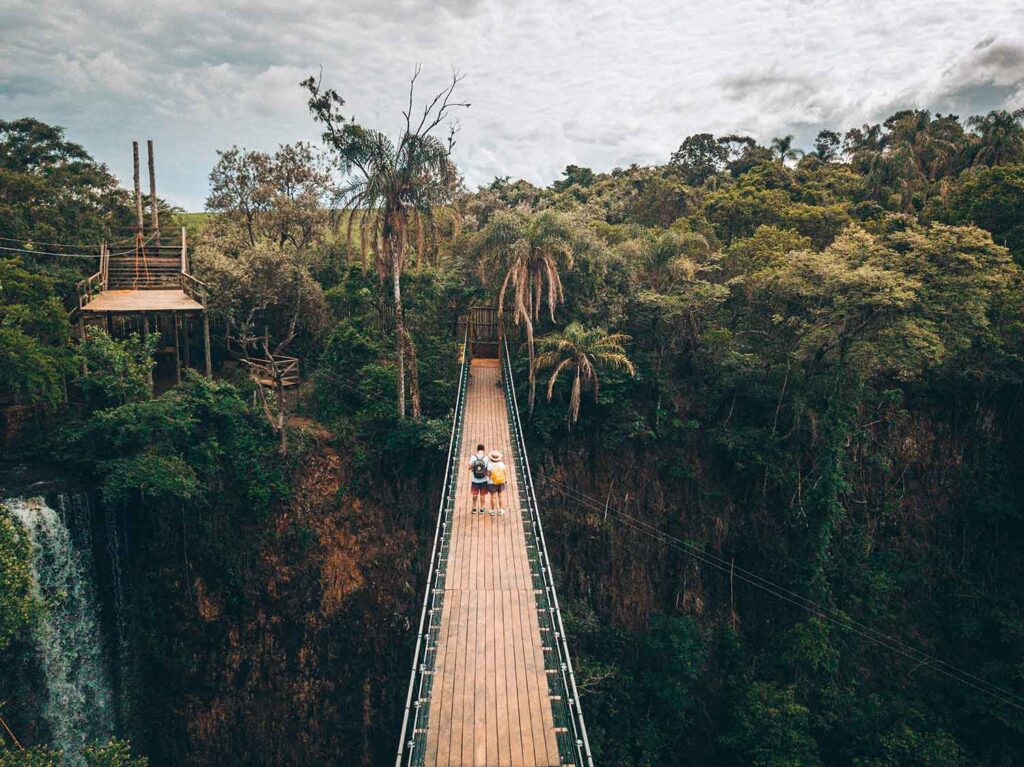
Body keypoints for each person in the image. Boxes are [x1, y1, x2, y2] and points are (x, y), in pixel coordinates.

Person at [468, 443, 490, 514]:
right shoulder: (486, 458)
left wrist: (473, 468)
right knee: (482, 494)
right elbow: (487, 470)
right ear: (484, 450)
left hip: (475, 479)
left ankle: (474, 508)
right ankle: (482, 509)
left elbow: (469, 468)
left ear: (477, 450)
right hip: (483, 479)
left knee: (475, 494)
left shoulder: (473, 457)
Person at [486, 449, 508, 516]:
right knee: (500, 496)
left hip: (492, 483)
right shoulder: (502, 464)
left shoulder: (490, 465)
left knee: (493, 497)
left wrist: (489, 476)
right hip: (501, 482)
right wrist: (505, 480)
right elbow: (505, 473)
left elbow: (488, 474)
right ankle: (501, 510)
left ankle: (493, 510)